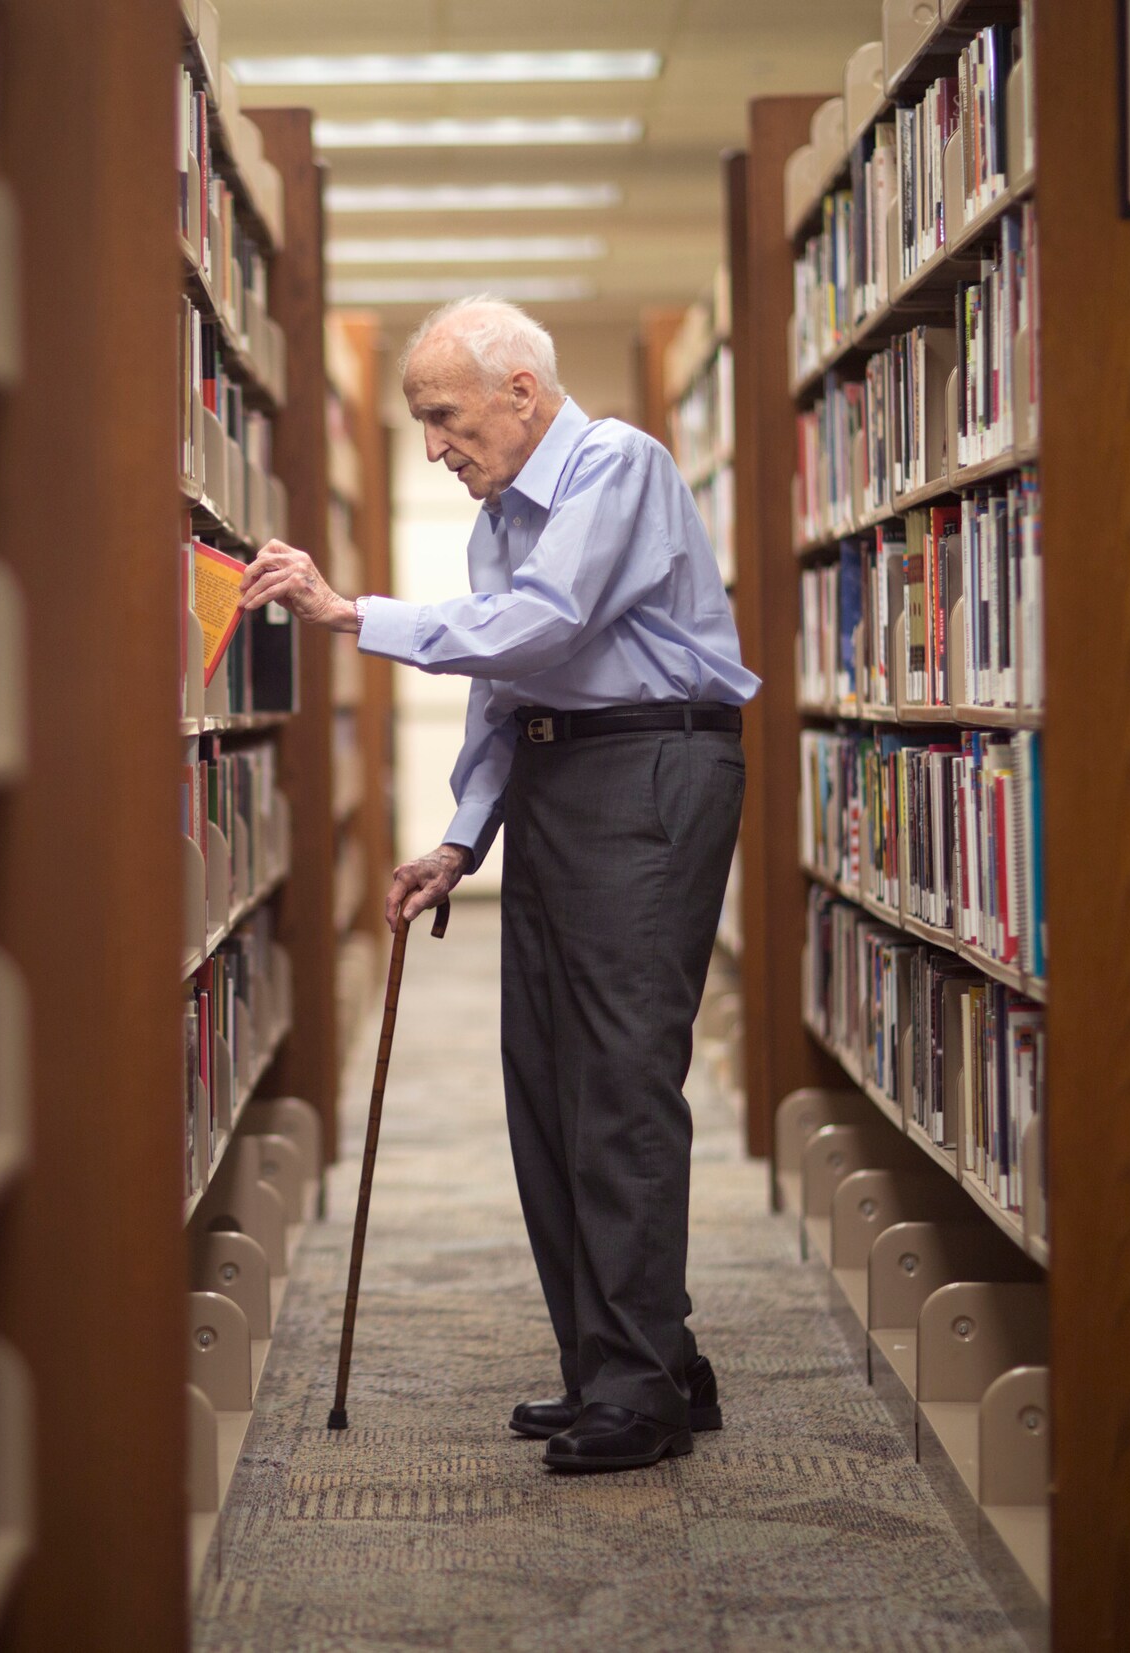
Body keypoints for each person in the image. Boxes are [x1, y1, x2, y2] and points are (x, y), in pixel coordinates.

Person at [239, 295, 756, 1474]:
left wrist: (349, 611)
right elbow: (506, 688)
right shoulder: (497, 522)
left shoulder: (616, 465)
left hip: (649, 766)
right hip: (557, 777)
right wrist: (460, 840)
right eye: (419, 424)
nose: (433, 446)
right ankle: (627, 1361)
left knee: (619, 1077)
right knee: (547, 1078)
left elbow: (540, 625)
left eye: (442, 417)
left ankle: (640, 1388)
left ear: (519, 392)